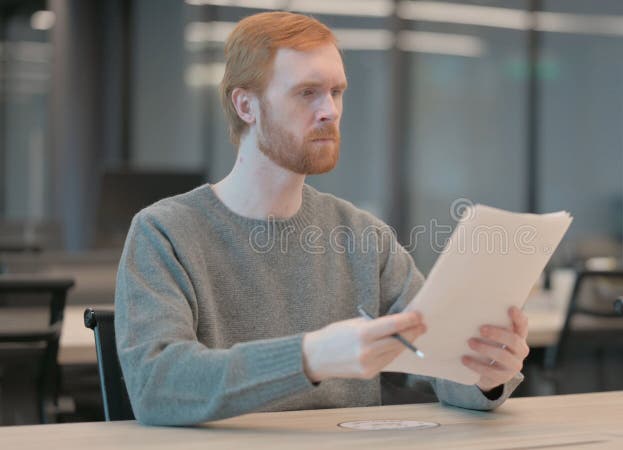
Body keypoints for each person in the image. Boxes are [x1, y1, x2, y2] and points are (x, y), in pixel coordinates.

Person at [115, 11, 528, 426]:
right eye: (307, 92)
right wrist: (311, 357)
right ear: (246, 105)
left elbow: (441, 364)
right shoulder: (164, 233)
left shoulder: (365, 237)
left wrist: (486, 373)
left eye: (336, 91)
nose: (329, 110)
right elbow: (156, 387)